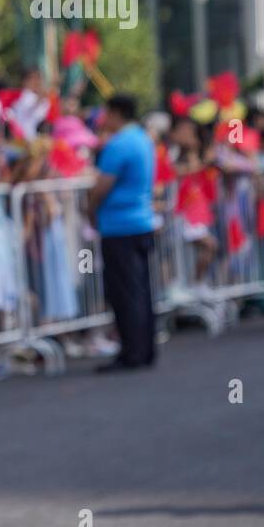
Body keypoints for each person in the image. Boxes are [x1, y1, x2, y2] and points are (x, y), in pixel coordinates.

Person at [89, 94, 159, 372]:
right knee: (140, 291)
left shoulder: (119, 144)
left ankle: (132, 352)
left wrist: (90, 211)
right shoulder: (143, 139)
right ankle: (144, 350)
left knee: (126, 294)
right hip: (140, 223)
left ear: (116, 113)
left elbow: (101, 188)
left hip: (121, 227)